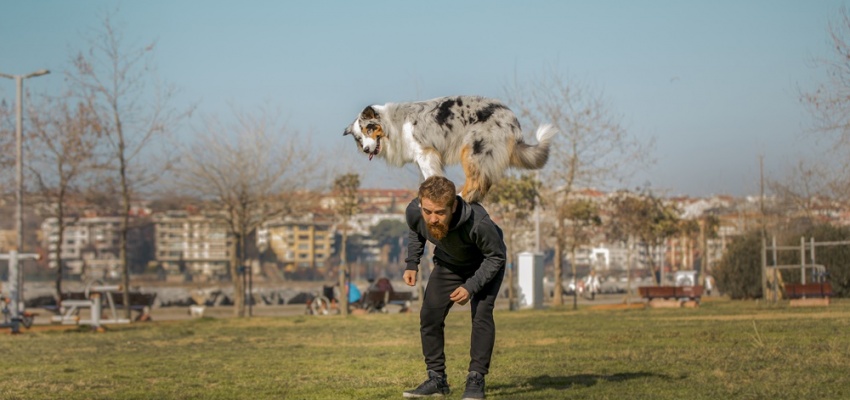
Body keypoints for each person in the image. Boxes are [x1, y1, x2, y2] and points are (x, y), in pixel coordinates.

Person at [402, 176, 506, 400]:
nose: (433, 219)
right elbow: (416, 228)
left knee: (481, 315)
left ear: (454, 206)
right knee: (429, 315)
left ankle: (476, 379)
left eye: (440, 212)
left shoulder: (478, 221)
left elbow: (495, 258)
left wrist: (471, 286)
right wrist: (412, 262)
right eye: (428, 211)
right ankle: (436, 379)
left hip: (485, 264)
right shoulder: (415, 211)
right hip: (450, 263)